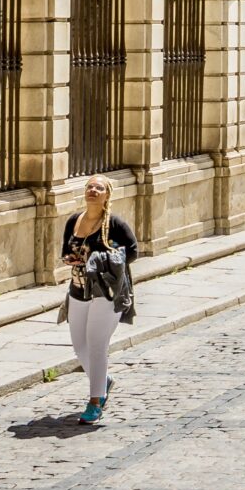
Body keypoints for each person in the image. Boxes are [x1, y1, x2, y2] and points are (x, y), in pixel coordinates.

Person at [60, 174, 139, 426]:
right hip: (78, 289)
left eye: (99, 188)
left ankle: (95, 402)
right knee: (79, 346)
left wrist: (101, 260)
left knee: (96, 345)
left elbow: (132, 252)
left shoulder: (114, 223)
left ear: (107, 195)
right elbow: (65, 250)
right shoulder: (74, 220)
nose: (93, 190)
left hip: (105, 292)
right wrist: (69, 259)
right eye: (90, 186)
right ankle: (103, 381)